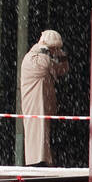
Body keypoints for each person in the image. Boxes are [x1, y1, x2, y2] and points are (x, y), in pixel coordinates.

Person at [19, 29, 69, 166]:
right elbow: (48, 66)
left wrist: (59, 54)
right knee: (38, 135)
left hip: (45, 104)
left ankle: (43, 160)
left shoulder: (44, 57)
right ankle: (38, 162)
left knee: (42, 135)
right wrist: (52, 53)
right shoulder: (35, 58)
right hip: (36, 104)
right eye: (54, 48)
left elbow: (63, 69)